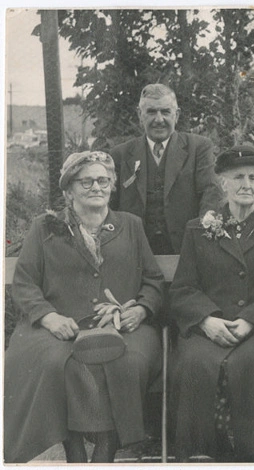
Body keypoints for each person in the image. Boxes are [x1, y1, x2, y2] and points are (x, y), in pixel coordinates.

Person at [5, 151, 164, 463]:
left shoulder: (130, 225)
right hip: (60, 327)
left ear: (112, 186)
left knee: (127, 362)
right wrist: (49, 317)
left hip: (122, 326)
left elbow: (153, 280)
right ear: (69, 190)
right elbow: (24, 283)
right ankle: (73, 451)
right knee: (59, 363)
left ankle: (106, 450)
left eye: (103, 180)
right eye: (86, 181)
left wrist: (141, 310)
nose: (96, 187)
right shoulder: (45, 227)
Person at [169, 146, 254, 462]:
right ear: (223, 183)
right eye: (238, 177)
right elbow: (184, 288)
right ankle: (200, 452)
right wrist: (206, 320)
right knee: (195, 362)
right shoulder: (198, 228)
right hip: (210, 327)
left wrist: (250, 321)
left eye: (253, 178)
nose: (246, 184)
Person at [110, 83, 222, 254]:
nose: (159, 119)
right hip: (135, 250)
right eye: (151, 112)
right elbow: (110, 205)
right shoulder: (121, 154)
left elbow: (211, 192)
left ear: (176, 115)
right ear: (140, 115)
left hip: (185, 248)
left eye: (165, 112)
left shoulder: (198, 148)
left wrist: (203, 236)